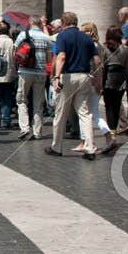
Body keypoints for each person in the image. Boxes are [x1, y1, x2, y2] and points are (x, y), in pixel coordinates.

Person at [46, 13, 100, 159]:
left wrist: (56, 77)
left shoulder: (63, 36)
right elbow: (97, 60)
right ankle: (90, 148)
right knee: (84, 113)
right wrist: (98, 79)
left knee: (61, 113)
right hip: (84, 76)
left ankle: (56, 147)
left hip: (68, 76)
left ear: (63, 23)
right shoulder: (87, 37)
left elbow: (61, 57)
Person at [15, 18, 52, 140]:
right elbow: (49, 57)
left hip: (25, 71)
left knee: (22, 99)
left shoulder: (22, 35)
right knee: (38, 102)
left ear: (30, 23)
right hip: (41, 73)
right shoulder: (46, 37)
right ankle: (37, 132)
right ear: (40, 24)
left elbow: (15, 51)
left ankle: (25, 128)